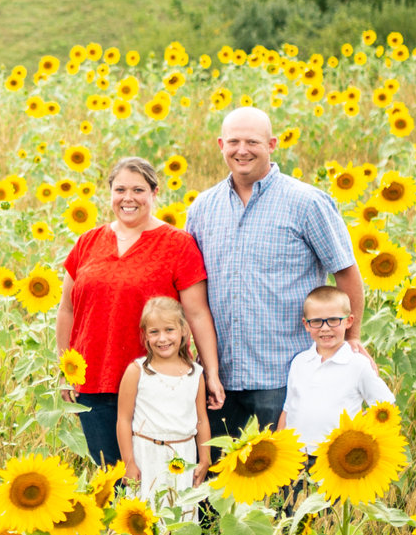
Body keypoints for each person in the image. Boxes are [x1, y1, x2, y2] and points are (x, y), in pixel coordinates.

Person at [186, 106, 363, 441]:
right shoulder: (202, 209)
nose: (242, 150)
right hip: (220, 375)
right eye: (234, 142)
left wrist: (351, 338)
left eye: (252, 142)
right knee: (217, 467)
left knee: (289, 465)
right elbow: (192, 290)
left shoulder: (306, 203)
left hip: (286, 371)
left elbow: (346, 272)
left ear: (272, 144)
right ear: (221, 145)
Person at [57, 157, 221, 466]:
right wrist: (65, 369)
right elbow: (67, 309)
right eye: (120, 190)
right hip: (95, 378)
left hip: (158, 382)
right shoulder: (88, 242)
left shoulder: (178, 244)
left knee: (160, 472)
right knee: (112, 473)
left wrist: (210, 372)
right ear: (110, 193)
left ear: (155, 193)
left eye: (138, 190)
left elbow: (198, 314)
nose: (128, 198)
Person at [279, 285, 393, 455]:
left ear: (349, 321)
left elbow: (386, 406)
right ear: (306, 324)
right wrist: (279, 447)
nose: (325, 328)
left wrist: (361, 429)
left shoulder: (358, 364)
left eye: (333, 320)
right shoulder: (299, 362)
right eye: (316, 321)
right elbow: (288, 409)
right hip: (296, 455)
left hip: (337, 457)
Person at [117, 297, 210, 499]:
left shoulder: (195, 374)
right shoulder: (137, 371)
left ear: (183, 330)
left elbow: (201, 419)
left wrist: (205, 458)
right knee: (146, 509)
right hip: (146, 455)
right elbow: (123, 419)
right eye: (154, 332)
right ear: (145, 335)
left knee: (180, 509)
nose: (162, 338)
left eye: (169, 330)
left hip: (184, 455)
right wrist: (129, 463)